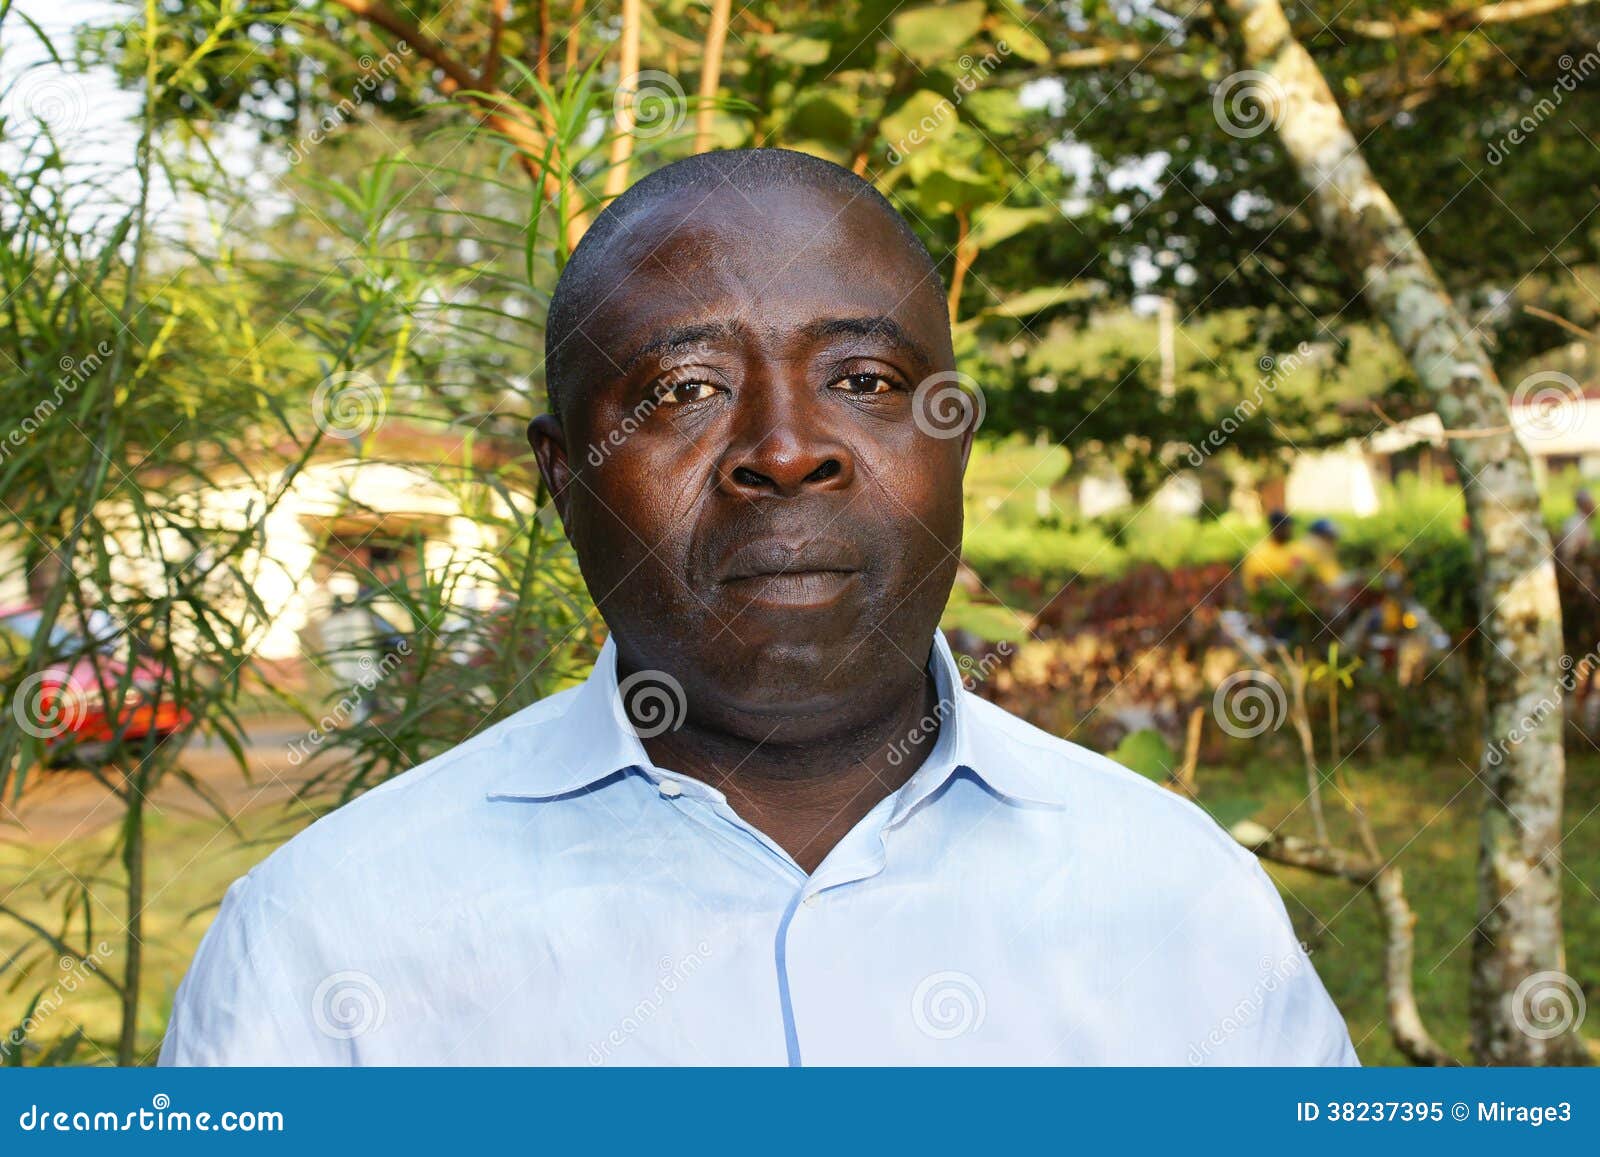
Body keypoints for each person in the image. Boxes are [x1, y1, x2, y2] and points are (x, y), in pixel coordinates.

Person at [160, 149, 1355, 1066]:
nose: (785, 451)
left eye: (864, 379)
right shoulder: (325, 944)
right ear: (561, 475)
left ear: (951, 439)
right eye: (683, 389)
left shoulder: (1184, 902)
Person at [1241, 510, 1309, 594]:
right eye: (1287, 527)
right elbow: (1261, 584)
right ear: (1277, 529)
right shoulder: (1260, 552)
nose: (1291, 530)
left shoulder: (1293, 548)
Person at [1557, 488, 1595, 563]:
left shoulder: (1584, 522)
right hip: (1574, 564)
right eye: (1591, 502)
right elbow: (1568, 550)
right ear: (1584, 504)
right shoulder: (1575, 523)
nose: (1594, 506)